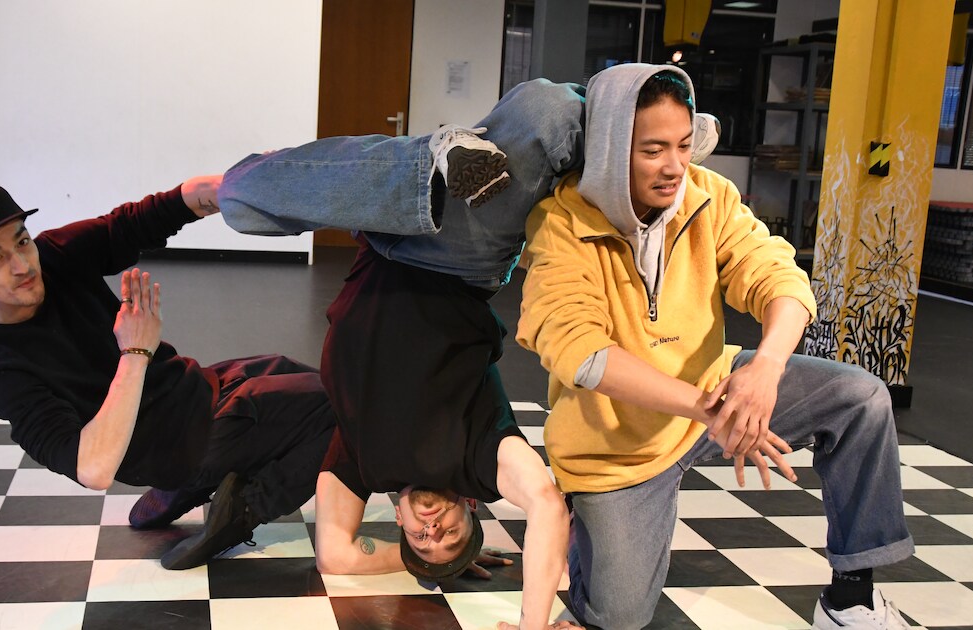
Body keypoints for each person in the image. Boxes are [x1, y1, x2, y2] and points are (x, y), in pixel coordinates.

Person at [213, 79, 721, 630]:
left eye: (418, 538)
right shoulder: (481, 460)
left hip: (383, 232)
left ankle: (454, 151)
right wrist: (530, 622)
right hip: (454, 257)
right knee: (546, 114)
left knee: (240, 199)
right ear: (469, 507)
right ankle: (648, 131)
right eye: (449, 533)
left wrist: (420, 564)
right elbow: (548, 509)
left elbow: (336, 557)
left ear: (399, 520)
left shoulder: (362, 460)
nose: (431, 528)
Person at [514, 64, 915, 629]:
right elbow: (578, 351)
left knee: (862, 398)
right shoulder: (561, 225)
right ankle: (589, 546)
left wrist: (766, 370)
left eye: (682, 145)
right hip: (616, 447)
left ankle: (851, 597)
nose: (675, 166)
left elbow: (778, 276)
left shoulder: (709, 197)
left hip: (714, 388)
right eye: (653, 150)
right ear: (609, 149)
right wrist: (713, 410)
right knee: (619, 617)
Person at [0, 179, 337, 571]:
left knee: (291, 370)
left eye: (21, 240)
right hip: (175, 445)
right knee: (342, 407)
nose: (21, 264)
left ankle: (183, 490)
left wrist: (216, 190)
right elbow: (92, 469)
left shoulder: (52, 256)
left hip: (197, 391)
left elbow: (134, 222)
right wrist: (135, 352)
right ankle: (242, 508)